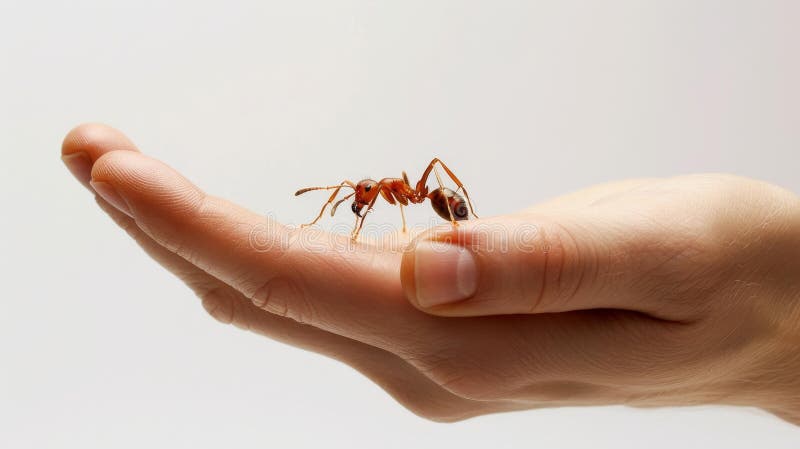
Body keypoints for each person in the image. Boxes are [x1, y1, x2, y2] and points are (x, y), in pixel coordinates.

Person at [61, 123, 800, 425]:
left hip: (452, 211)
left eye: (357, 201)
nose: (361, 205)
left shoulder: (416, 192)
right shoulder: (372, 192)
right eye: (358, 202)